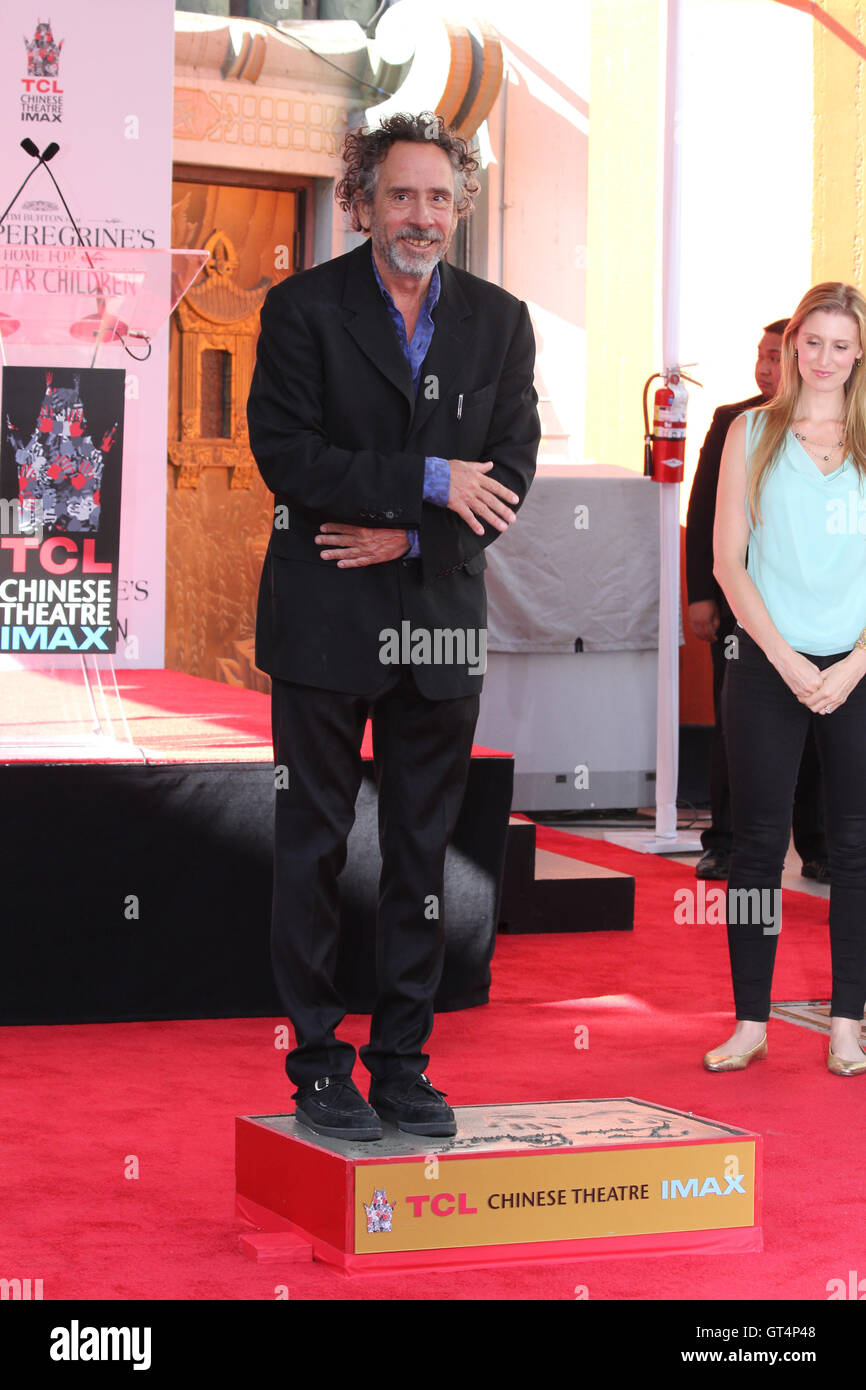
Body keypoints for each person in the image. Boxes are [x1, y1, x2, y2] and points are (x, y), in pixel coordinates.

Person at [246, 112, 539, 1139]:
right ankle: (318, 1060)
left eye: (438, 197)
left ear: (459, 208)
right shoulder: (299, 310)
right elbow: (288, 455)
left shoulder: (500, 323)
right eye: (400, 194)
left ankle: (402, 1060)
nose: (420, 215)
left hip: (438, 625)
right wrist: (421, 485)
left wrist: (404, 538)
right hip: (323, 620)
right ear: (360, 202)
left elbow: (504, 482)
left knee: (424, 854)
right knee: (314, 844)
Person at [707, 282, 866, 1076]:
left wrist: (853, 666)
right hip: (769, 664)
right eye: (814, 343)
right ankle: (748, 1021)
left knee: (857, 849)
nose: (826, 359)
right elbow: (728, 564)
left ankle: (845, 1024)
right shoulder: (751, 431)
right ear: (793, 345)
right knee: (757, 849)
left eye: (842, 345)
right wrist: (791, 661)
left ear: (859, 352)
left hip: (861, 669)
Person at [686, 320, 828, 883]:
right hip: (741, 611)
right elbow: (702, 517)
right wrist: (702, 596)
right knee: (734, 733)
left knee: (819, 731)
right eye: (762, 357)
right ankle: (724, 843)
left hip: (820, 617)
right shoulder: (736, 423)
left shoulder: (844, 427)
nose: (767, 368)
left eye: (776, 357)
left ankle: (816, 846)